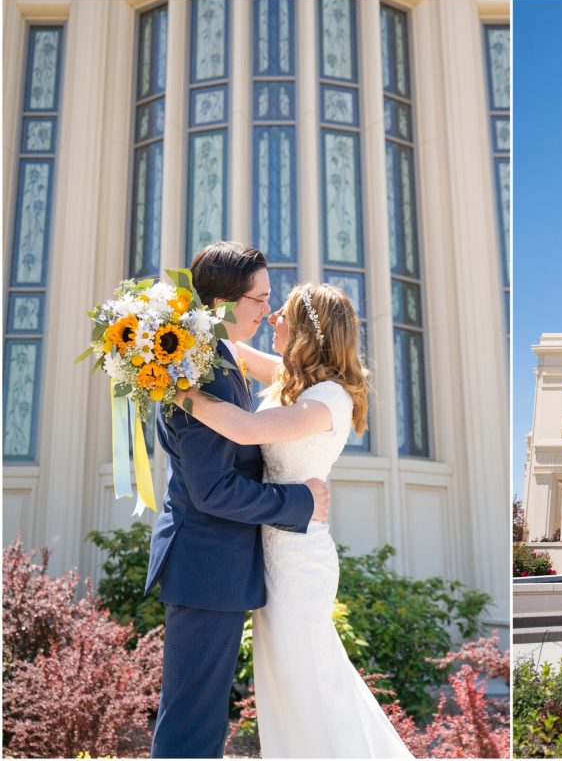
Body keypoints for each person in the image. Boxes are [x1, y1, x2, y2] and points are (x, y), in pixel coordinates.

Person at [175, 281, 412, 758]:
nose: (271, 319)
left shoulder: (328, 398)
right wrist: (165, 334)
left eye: (280, 312)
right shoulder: (292, 380)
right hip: (272, 551)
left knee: (313, 684)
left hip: (299, 562)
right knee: (286, 687)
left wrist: (171, 388)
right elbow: (232, 348)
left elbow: (243, 430)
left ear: (305, 330)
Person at [146, 242, 330, 758]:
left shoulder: (216, 357)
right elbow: (213, 490)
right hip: (207, 566)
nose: (267, 310)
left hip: (212, 566)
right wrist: (300, 502)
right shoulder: (202, 371)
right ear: (224, 303)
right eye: (259, 299)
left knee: (197, 714)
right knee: (192, 721)